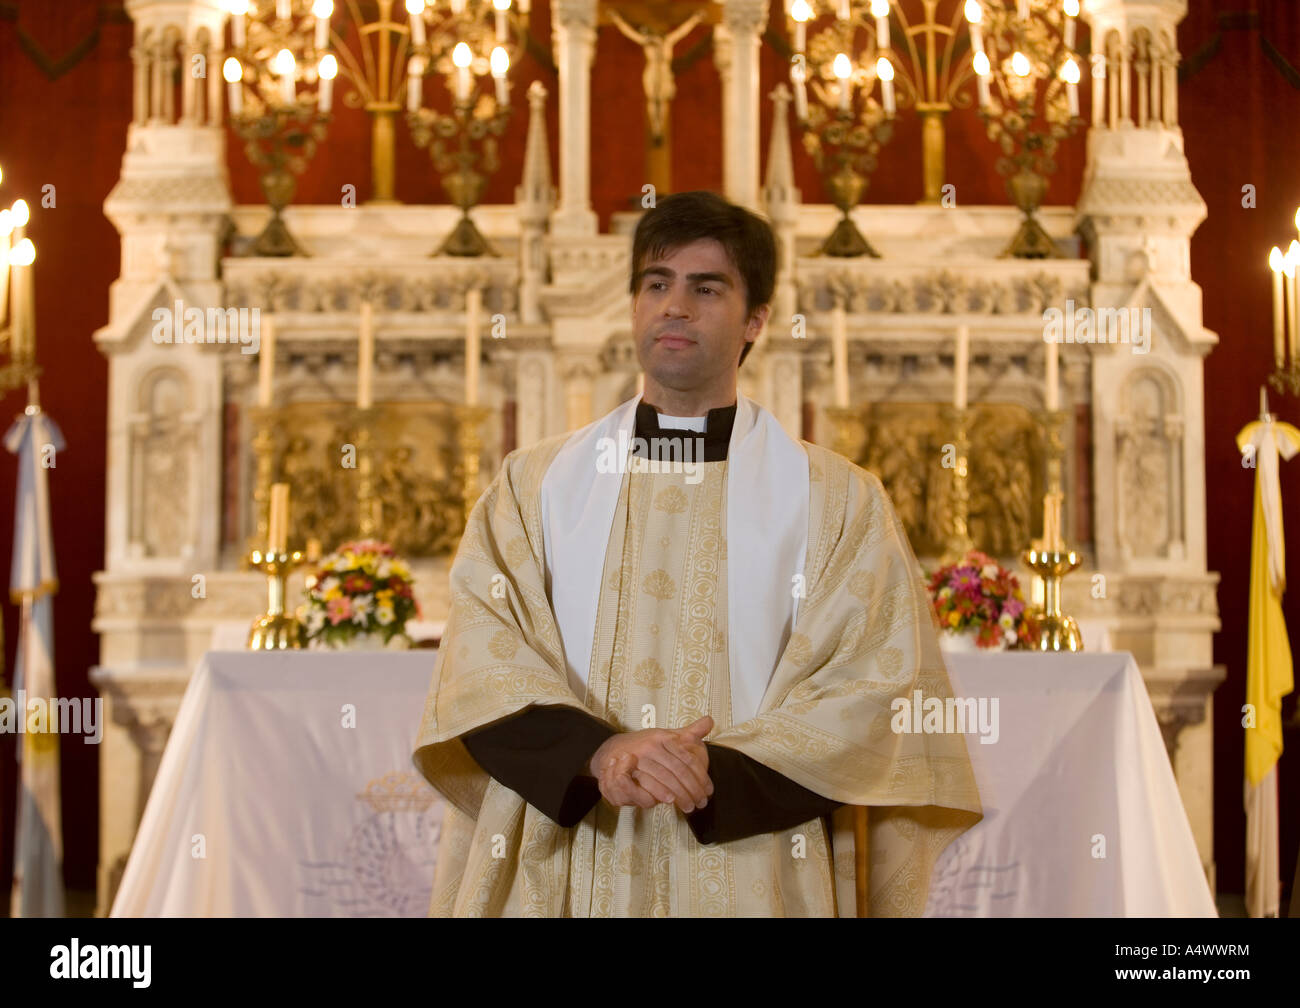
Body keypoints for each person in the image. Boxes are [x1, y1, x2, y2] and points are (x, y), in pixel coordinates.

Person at [412, 190, 981, 917]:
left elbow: (877, 684)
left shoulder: (837, 499)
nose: (674, 306)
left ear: (755, 321)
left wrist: (709, 769)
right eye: (657, 284)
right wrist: (600, 754)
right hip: (572, 846)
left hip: (755, 850)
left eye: (706, 288)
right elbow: (482, 658)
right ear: (633, 307)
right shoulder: (537, 483)